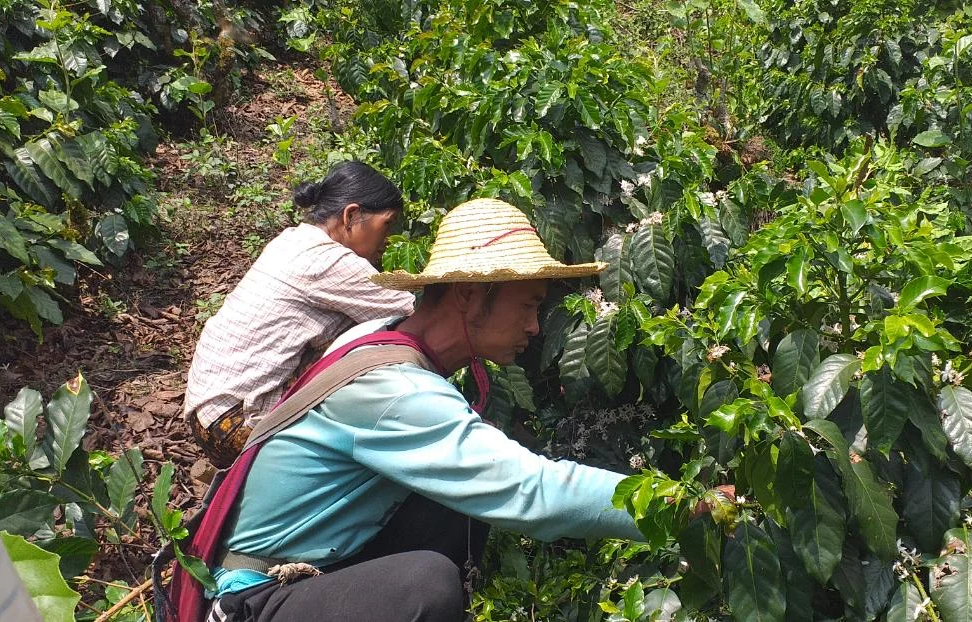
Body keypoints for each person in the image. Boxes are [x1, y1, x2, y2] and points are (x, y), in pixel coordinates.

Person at [204, 198, 648, 621]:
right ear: (471, 294)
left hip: (312, 565)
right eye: (529, 304)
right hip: (252, 600)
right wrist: (675, 502)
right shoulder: (393, 389)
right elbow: (534, 491)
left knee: (463, 490)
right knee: (427, 586)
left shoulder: (383, 336)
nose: (534, 326)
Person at [182, 161, 415, 467]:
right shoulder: (330, 261)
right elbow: (416, 315)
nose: (389, 240)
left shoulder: (293, 239)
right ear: (352, 216)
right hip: (238, 421)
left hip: (208, 409)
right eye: (388, 224)